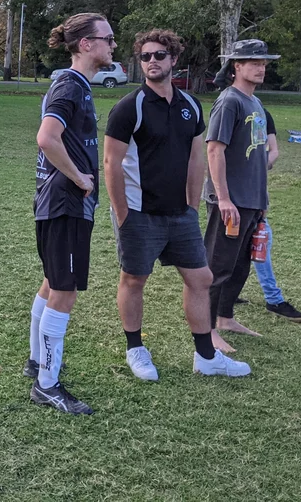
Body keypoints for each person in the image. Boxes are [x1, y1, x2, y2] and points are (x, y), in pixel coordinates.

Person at [104, 29, 250, 380]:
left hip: (180, 214)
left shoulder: (189, 105)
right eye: (145, 57)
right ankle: (135, 349)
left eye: (159, 55)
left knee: (200, 278)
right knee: (134, 279)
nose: (152, 62)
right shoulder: (129, 107)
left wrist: (190, 206)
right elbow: (111, 163)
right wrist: (123, 213)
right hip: (139, 213)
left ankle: (206, 356)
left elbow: (196, 158)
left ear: (173, 59)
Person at [24, 12, 114, 415]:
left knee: (52, 282)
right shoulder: (71, 86)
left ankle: (35, 362)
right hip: (65, 205)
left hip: (57, 204)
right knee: (65, 291)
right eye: (108, 39)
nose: (113, 45)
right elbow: (47, 137)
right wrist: (80, 177)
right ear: (86, 44)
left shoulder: (75, 85)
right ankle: (47, 384)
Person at [203, 39, 279, 353]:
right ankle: (205, 331)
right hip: (230, 201)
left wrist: (260, 201)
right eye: (254, 62)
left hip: (251, 201)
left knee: (240, 266)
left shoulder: (256, 104)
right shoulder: (229, 101)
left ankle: (225, 317)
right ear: (237, 66)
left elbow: (260, 154)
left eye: (264, 62)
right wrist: (223, 199)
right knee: (218, 267)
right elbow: (214, 150)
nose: (261, 67)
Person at [241, 110, 301, 323]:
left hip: (254, 191)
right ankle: (272, 299)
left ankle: (228, 293)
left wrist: (259, 171)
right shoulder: (229, 108)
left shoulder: (260, 112)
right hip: (231, 192)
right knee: (233, 247)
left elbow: (273, 150)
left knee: (260, 239)